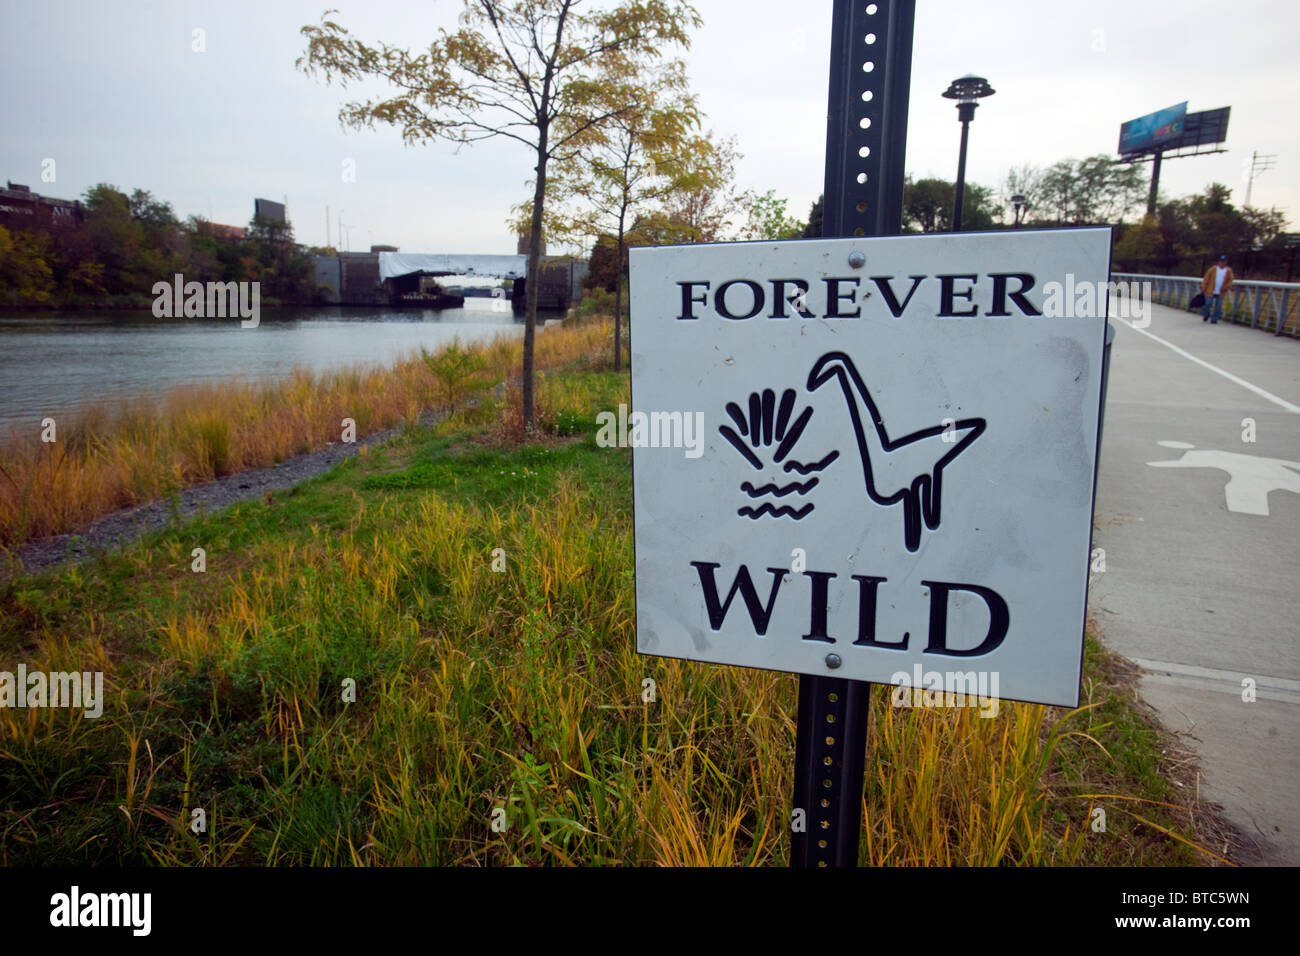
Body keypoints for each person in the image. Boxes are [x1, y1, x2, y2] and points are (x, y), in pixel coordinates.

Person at [1201, 254, 1234, 323]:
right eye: (1221, 261)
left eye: (1224, 261)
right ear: (1218, 262)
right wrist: (1204, 286)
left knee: (1218, 306)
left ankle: (1214, 319)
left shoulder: (1228, 271)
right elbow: (1206, 278)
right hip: (1211, 290)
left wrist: (1226, 287)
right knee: (1208, 303)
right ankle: (1206, 314)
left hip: (1221, 291)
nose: (1222, 263)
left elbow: (1230, 280)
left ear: (1226, 262)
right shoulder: (1213, 269)